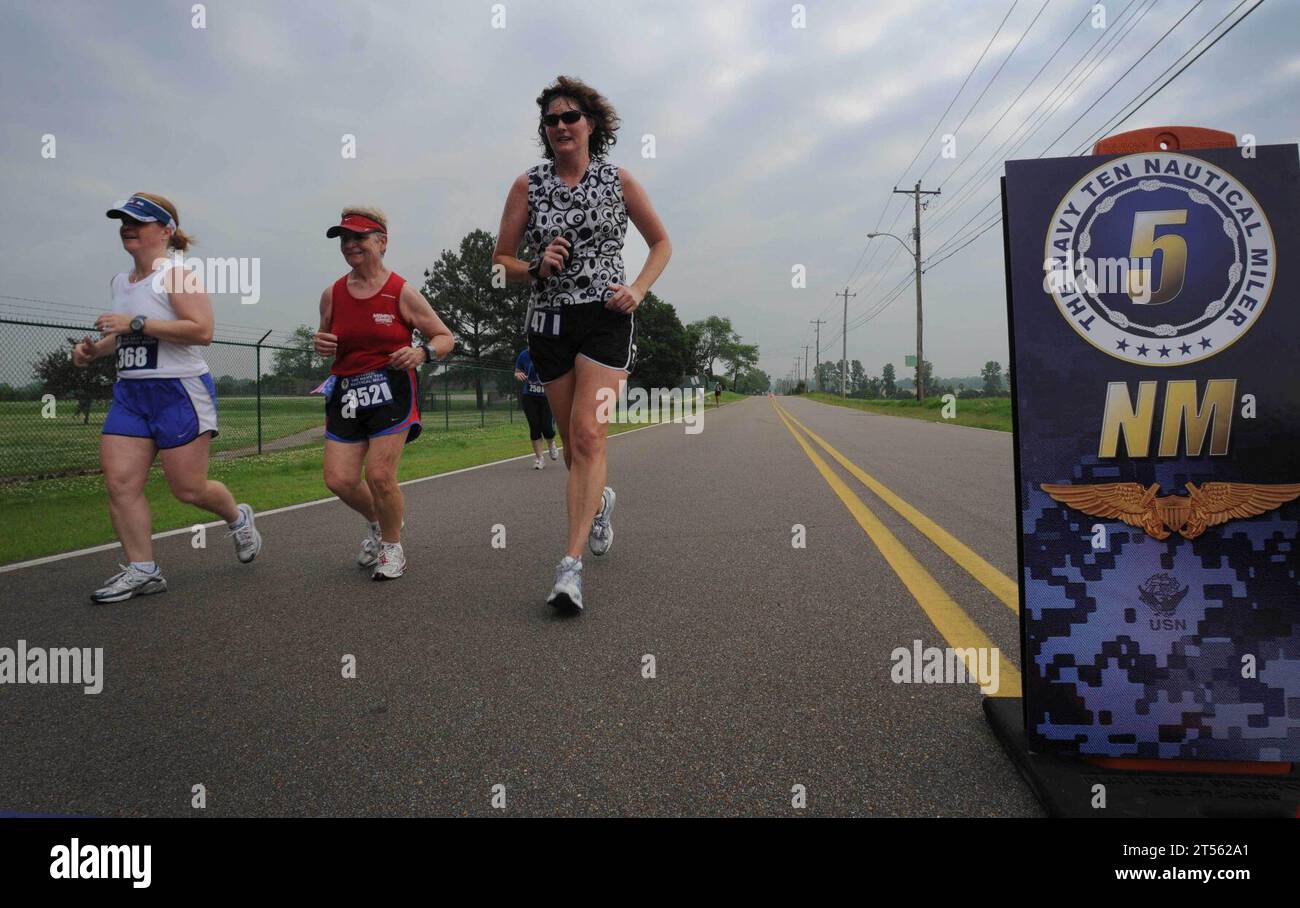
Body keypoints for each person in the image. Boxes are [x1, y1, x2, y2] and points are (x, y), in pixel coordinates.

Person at [494, 76, 671, 612]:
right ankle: (599, 503)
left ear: (591, 124)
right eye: (551, 120)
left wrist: (637, 289)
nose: (561, 126)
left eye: (570, 116)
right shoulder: (528, 184)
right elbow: (500, 267)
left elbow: (661, 242)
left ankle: (568, 570)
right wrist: (533, 266)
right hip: (549, 323)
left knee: (590, 437)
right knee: (573, 450)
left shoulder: (618, 180)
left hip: (605, 318)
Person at [77, 193, 262, 603]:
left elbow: (202, 330)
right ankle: (144, 570)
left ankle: (237, 516)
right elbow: (124, 332)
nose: (127, 227)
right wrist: (96, 350)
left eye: (138, 221)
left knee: (189, 489)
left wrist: (138, 322)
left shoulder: (177, 275)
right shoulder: (119, 281)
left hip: (178, 390)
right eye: (123, 220)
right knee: (120, 482)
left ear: (166, 232)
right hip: (131, 392)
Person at [313, 207, 454, 581]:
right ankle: (378, 522)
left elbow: (445, 337)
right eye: (345, 239)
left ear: (382, 242)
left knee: (379, 475)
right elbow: (326, 338)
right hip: (346, 393)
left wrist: (422, 352)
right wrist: (321, 344)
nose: (350, 245)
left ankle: (392, 547)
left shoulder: (401, 292)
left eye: (359, 237)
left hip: (391, 388)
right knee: (339, 480)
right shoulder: (332, 294)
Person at [514, 347, 559, 469]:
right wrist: (517, 374)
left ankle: (551, 444)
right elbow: (518, 370)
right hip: (529, 396)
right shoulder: (524, 355)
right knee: (534, 427)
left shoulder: (549, 352)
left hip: (547, 397)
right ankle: (539, 459)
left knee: (547, 428)